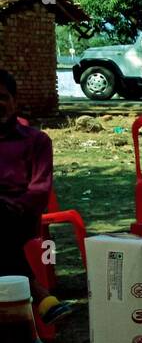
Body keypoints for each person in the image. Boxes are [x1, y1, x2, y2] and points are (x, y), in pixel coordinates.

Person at [0, 68, 73, 324]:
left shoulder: (36, 141)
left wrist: (10, 207)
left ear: (14, 101)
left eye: (2, 97)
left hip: (20, 218)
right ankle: (39, 293)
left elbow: (40, 190)